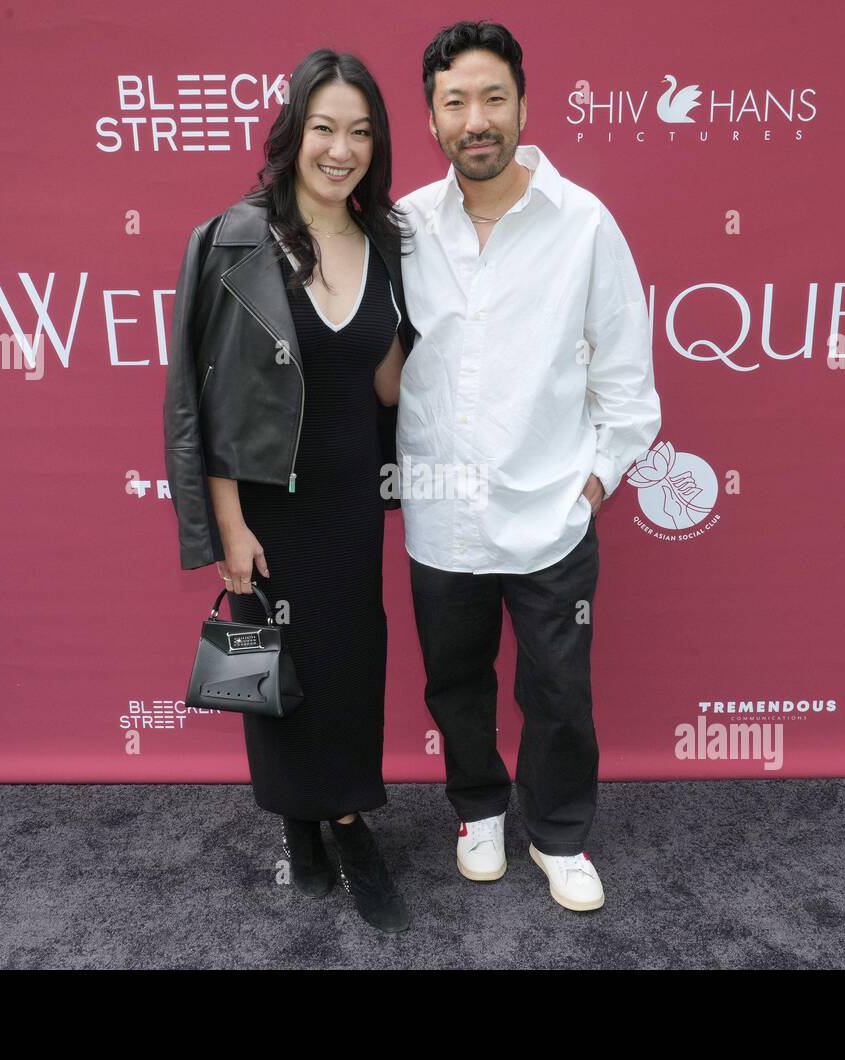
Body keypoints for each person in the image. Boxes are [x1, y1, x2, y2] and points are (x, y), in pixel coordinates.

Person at [394, 20, 662, 912]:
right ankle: (476, 809)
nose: (477, 119)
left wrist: (596, 481)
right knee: (454, 681)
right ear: (431, 118)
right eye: (456, 102)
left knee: (559, 690)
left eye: (493, 98)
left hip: (552, 511)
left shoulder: (583, 222)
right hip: (442, 515)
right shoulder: (402, 229)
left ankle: (558, 834)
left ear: (522, 105)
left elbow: (627, 375)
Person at [162, 48, 416, 934]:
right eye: (324, 128)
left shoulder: (387, 240)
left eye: (359, 131)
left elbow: (387, 380)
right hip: (270, 500)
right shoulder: (240, 239)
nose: (340, 148)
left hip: (352, 496)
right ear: (292, 134)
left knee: (348, 663)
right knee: (275, 664)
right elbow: (215, 400)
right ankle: (330, 826)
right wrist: (229, 526)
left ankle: (326, 811)